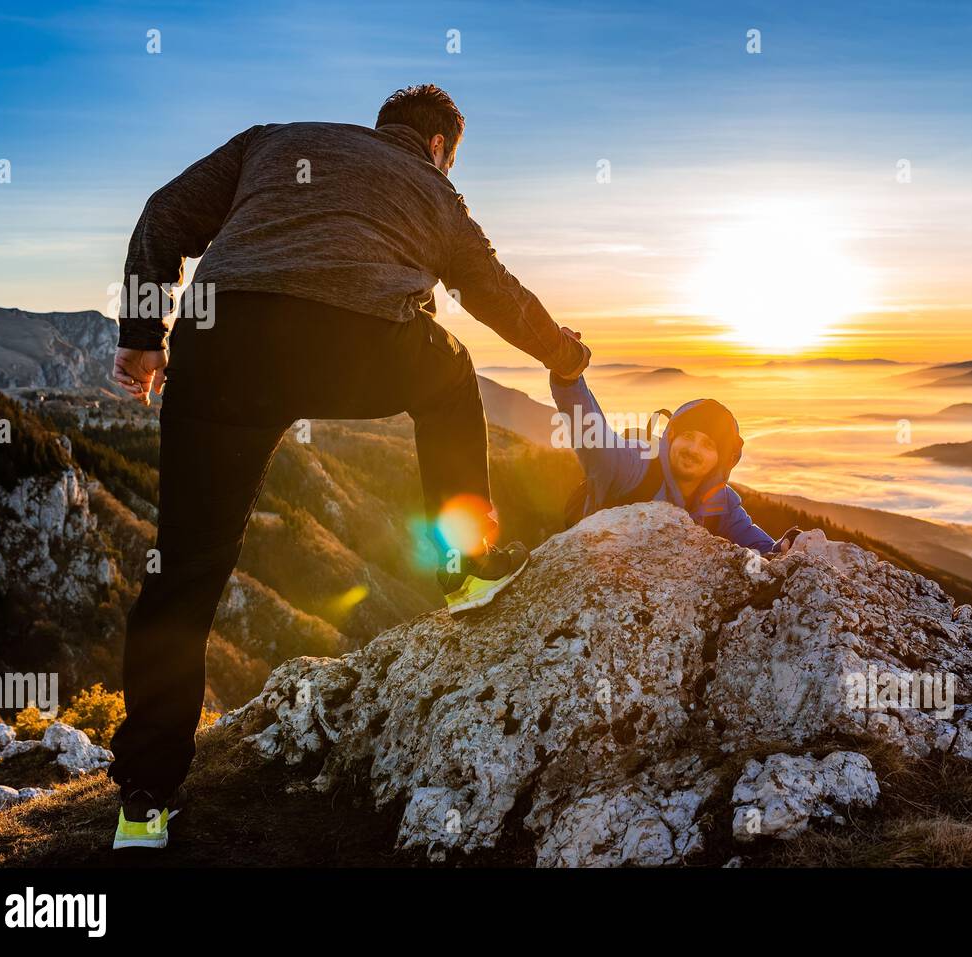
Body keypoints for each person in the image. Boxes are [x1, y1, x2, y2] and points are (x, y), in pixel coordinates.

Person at [106, 84, 589, 849]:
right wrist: (568, 354)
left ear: (383, 129)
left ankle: (144, 799)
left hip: (223, 344)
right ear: (439, 147)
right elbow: (499, 298)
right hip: (356, 345)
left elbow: (162, 212)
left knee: (185, 571)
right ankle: (465, 560)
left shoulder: (271, 140)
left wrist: (142, 331)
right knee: (451, 372)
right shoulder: (436, 190)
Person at [549, 352, 795, 555]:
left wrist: (783, 548)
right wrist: (568, 379)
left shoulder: (721, 502)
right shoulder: (635, 468)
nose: (693, 449)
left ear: (721, 459)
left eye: (708, 445)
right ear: (672, 436)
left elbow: (758, 547)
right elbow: (594, 435)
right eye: (688, 436)